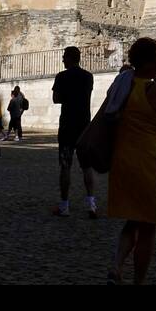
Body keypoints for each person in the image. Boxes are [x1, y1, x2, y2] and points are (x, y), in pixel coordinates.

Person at [108, 37, 156, 285]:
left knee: (132, 219)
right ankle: (139, 281)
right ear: (149, 63)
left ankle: (116, 266)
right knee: (148, 226)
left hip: (122, 160)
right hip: (147, 162)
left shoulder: (122, 86)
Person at [53, 47, 97, 217]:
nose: (63, 60)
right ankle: (91, 204)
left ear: (70, 58)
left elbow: (56, 99)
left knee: (65, 167)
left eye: (64, 57)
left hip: (67, 127)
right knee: (87, 167)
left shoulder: (62, 76)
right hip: (84, 126)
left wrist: (66, 96)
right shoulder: (88, 76)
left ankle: (64, 206)